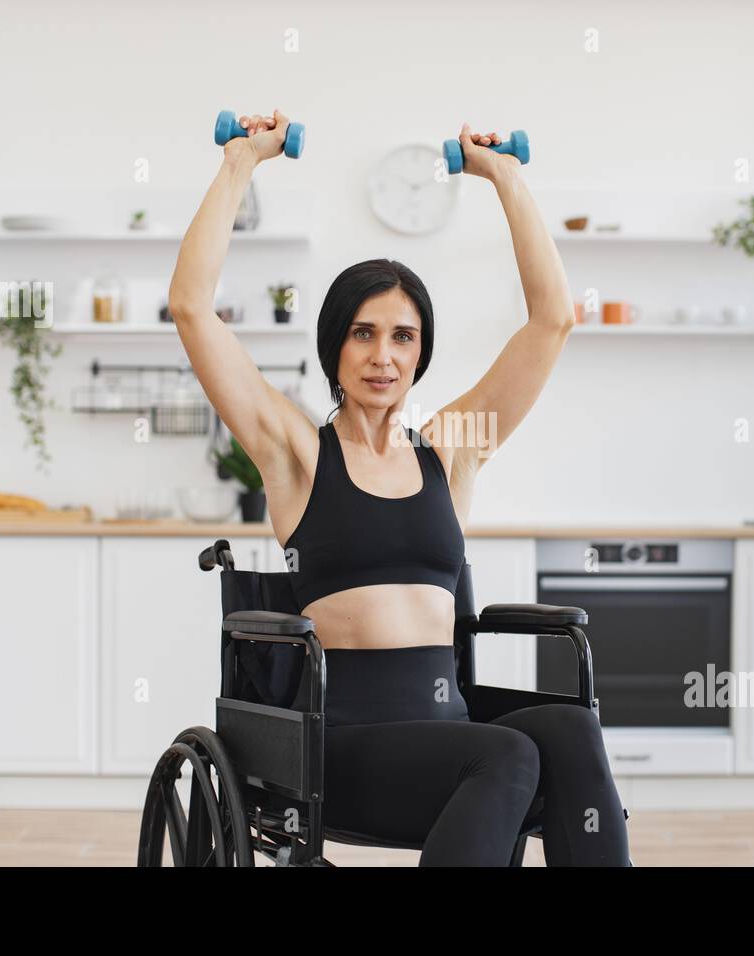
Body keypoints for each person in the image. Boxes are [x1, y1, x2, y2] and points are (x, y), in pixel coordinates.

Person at [169, 110, 630, 866]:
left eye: (403, 336)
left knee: (569, 729)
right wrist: (238, 166)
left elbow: (553, 321)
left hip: (450, 735)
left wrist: (504, 178)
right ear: (334, 347)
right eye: (363, 332)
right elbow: (191, 309)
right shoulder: (296, 453)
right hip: (338, 750)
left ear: (420, 355)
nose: (383, 355)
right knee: (509, 757)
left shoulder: (451, 451)